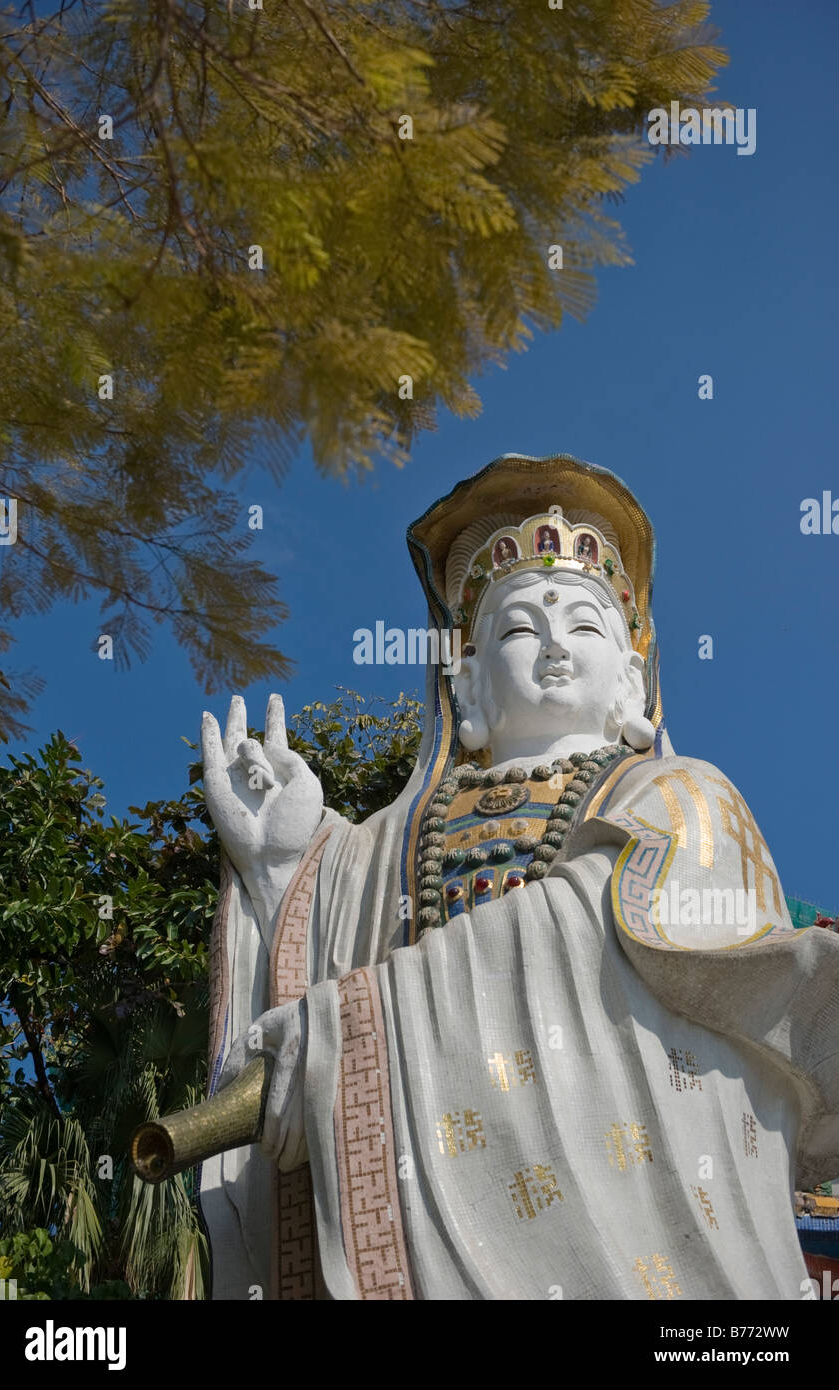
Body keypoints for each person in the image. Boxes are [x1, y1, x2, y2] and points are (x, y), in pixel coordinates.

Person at [198, 452, 839, 1300]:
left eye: (582, 625)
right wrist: (283, 867)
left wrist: (360, 1028)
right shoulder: (384, 847)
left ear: (633, 679)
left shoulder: (684, 795)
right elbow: (304, 988)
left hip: (634, 1195)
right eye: (514, 629)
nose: (551, 649)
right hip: (429, 1192)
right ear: (463, 688)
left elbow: (617, 928)